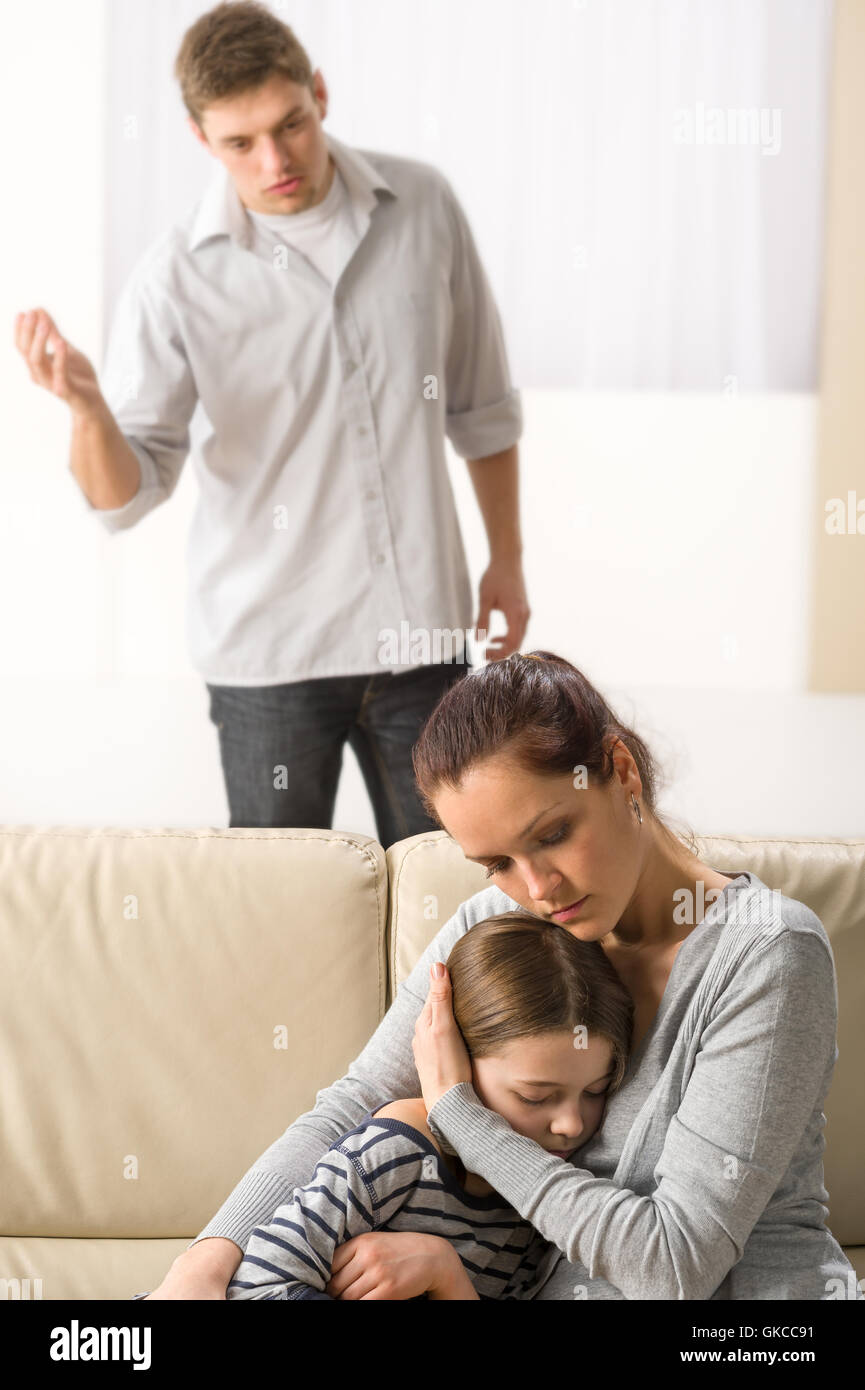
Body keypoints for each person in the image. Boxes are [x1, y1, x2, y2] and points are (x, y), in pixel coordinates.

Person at [141, 650, 862, 1301]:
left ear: (621, 772)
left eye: (551, 835)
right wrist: (202, 1265)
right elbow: (355, 1103)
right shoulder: (500, 923)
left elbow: (671, 1268)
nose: (537, 885)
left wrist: (463, 1117)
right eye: (496, 862)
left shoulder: (766, 954)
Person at [12, 0, 529, 846]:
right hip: (269, 665)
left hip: (423, 644)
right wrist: (87, 408)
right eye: (240, 142)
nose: (275, 160)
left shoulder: (423, 206)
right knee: (282, 923)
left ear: (319, 92)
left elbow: (482, 405)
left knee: (453, 901)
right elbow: (123, 497)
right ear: (199, 138)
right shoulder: (175, 278)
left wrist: (506, 559)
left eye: (290, 124)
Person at [132, 912, 632, 1301]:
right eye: (535, 1096)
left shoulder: (542, 1205)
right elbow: (263, 1281)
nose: (571, 1125)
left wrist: (449, 1275)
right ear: (453, 1062)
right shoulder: (395, 1154)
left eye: (595, 1091)